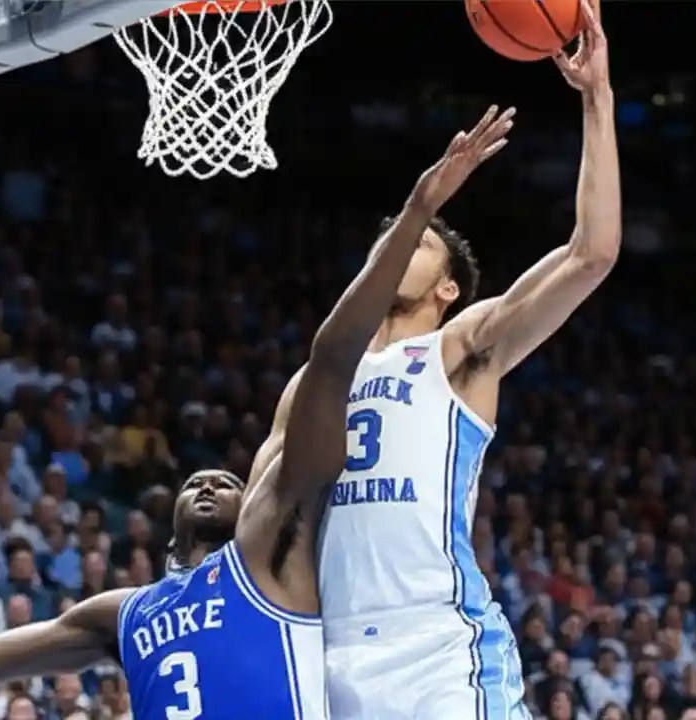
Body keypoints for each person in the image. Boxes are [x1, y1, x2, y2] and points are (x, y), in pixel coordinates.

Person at [0, 111, 515, 720]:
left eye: (230, 481)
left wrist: (415, 212)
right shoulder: (127, 614)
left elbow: (333, 364)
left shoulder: (272, 553)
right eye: (199, 480)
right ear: (165, 528)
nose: (211, 480)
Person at [251, 2, 619, 718]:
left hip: (437, 648)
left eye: (417, 244)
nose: (397, 248)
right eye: (387, 242)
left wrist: (597, 96)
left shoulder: (459, 349)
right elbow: (263, 522)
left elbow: (592, 253)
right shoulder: (312, 384)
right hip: (331, 655)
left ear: (449, 288)